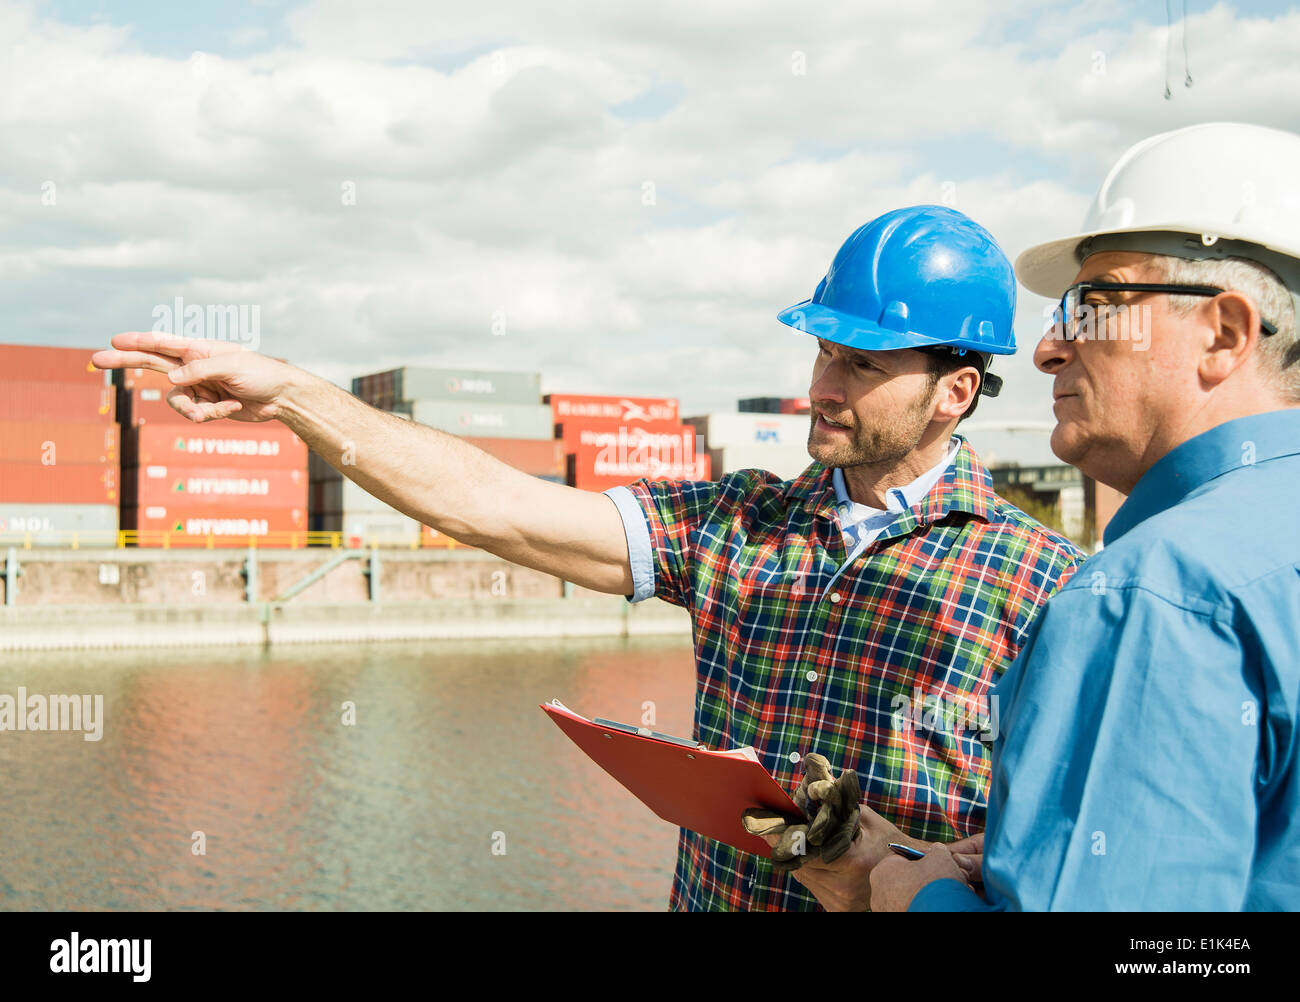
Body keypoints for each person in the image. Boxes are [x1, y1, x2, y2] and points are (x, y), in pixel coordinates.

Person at [93, 204, 1083, 912]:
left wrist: (889, 868)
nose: (821, 384)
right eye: (822, 350)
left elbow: (1063, 865)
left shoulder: (1047, 589)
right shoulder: (738, 523)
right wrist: (291, 398)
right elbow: (495, 509)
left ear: (954, 392)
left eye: (859, 364)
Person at [869, 122, 1300, 912]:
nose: (1048, 349)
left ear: (1226, 332)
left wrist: (918, 895)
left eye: (1095, 306)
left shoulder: (1155, 594)